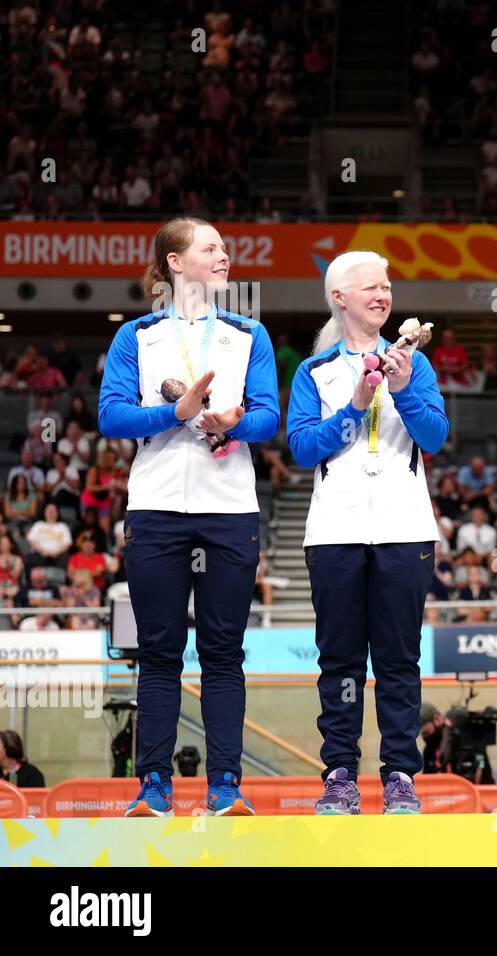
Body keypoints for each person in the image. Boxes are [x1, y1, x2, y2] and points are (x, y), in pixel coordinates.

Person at [100, 217, 279, 818]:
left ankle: (226, 786)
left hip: (229, 508)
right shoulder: (137, 337)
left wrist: (232, 423)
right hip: (155, 508)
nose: (224, 256)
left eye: (224, 248)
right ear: (176, 264)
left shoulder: (248, 333)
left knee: (225, 652)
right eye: (210, 249)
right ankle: (154, 787)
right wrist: (173, 413)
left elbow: (269, 419)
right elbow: (112, 417)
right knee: (160, 651)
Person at [288, 250, 450, 815]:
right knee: (340, 662)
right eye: (370, 288)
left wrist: (402, 390)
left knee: (400, 659)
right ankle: (339, 774)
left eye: (387, 287)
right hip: (334, 530)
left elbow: (433, 439)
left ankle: (401, 775)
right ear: (339, 297)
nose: (383, 295)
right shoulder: (314, 372)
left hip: (405, 528)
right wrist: (354, 407)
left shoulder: (415, 365)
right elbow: (303, 448)